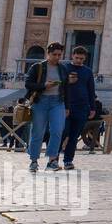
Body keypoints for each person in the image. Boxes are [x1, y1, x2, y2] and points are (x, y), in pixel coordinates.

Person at [24, 42, 70, 173]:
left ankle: (52, 160)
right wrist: (44, 86)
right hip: (40, 102)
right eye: (54, 54)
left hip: (58, 102)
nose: (56, 57)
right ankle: (34, 160)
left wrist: (67, 106)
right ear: (48, 54)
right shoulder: (37, 67)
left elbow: (66, 88)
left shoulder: (63, 68)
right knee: (37, 131)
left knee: (57, 130)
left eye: (59, 55)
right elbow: (28, 84)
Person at [57, 46, 98, 169]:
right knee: (62, 133)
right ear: (72, 56)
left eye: (81, 58)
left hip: (82, 107)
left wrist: (92, 108)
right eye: (77, 58)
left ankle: (68, 160)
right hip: (65, 106)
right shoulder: (64, 68)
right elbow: (58, 86)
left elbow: (91, 90)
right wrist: (68, 82)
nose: (79, 60)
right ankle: (54, 158)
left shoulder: (87, 71)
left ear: (85, 58)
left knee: (74, 136)